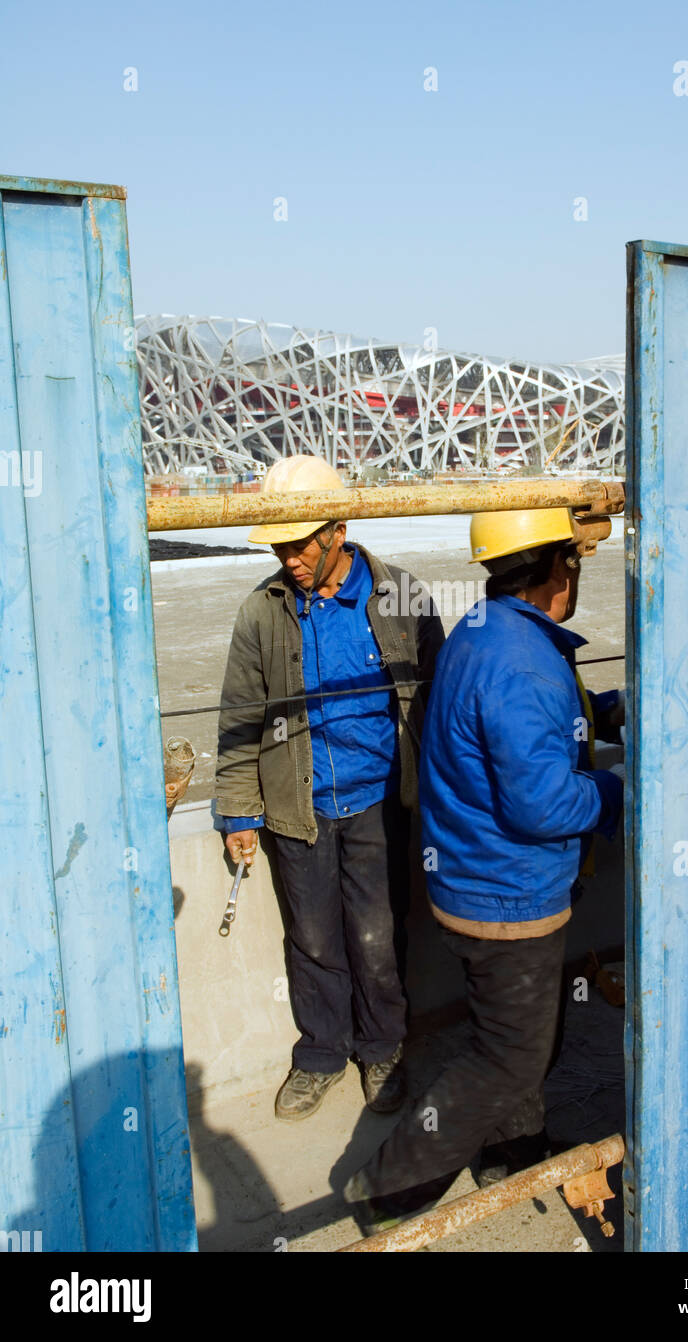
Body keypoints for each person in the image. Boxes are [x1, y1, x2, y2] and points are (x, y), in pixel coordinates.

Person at [344, 504, 624, 1231]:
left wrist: (606, 710)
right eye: (575, 559)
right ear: (560, 566)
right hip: (506, 897)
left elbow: (524, 721)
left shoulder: (488, 628)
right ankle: (387, 1188)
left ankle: (515, 1151)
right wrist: (622, 789)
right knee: (506, 1057)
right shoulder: (522, 662)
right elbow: (543, 805)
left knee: (517, 1036)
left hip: (469, 878)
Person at [215, 455, 444, 1121]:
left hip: (379, 803)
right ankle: (319, 1054)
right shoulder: (261, 614)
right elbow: (238, 719)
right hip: (298, 806)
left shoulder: (399, 595)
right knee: (312, 939)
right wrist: (237, 812)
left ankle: (382, 1050)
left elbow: (437, 703)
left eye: (299, 544)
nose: (288, 558)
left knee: (377, 936)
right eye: (279, 546)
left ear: (337, 531)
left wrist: (446, 796)